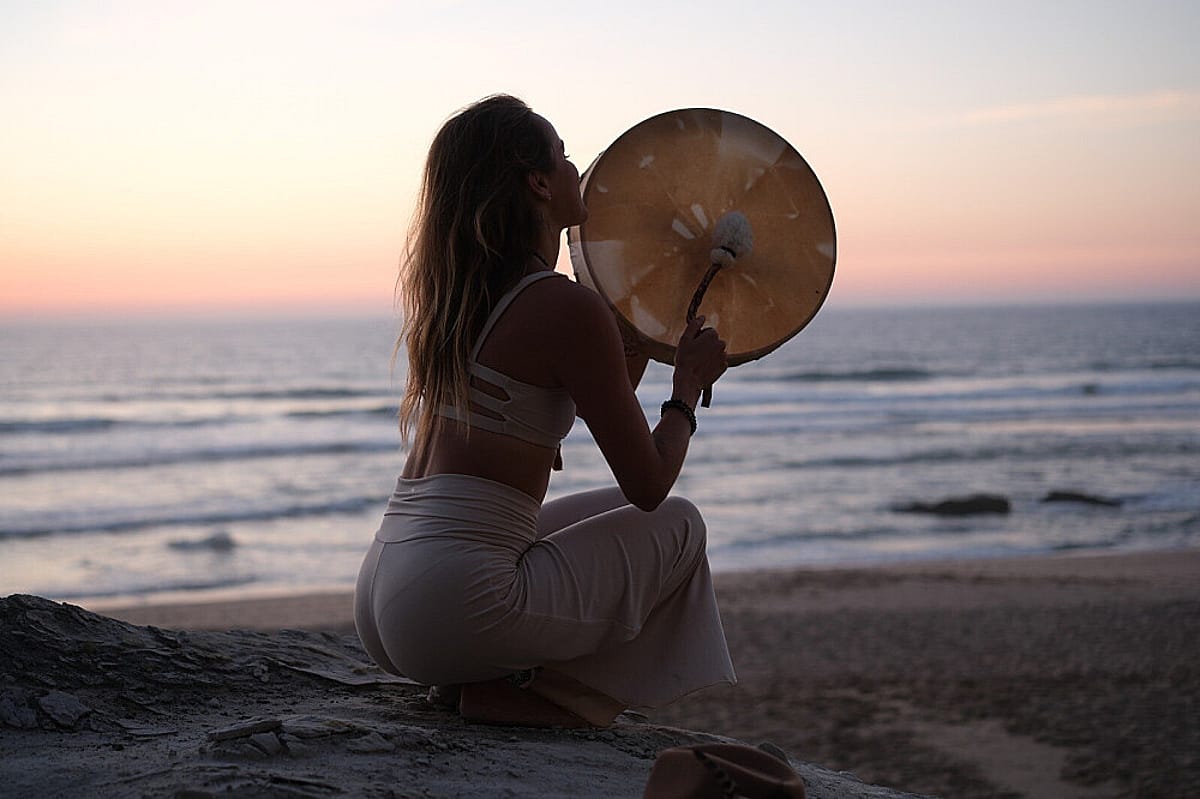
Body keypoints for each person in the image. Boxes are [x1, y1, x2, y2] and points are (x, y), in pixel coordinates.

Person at [354, 94, 736, 727]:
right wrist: (687, 389)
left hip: (388, 590)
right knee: (679, 525)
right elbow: (647, 483)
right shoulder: (564, 306)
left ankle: (477, 679)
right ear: (536, 182)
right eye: (561, 154)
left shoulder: (459, 299)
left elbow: (573, 408)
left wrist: (632, 347)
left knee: (604, 519)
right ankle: (533, 692)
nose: (574, 165)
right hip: (455, 605)